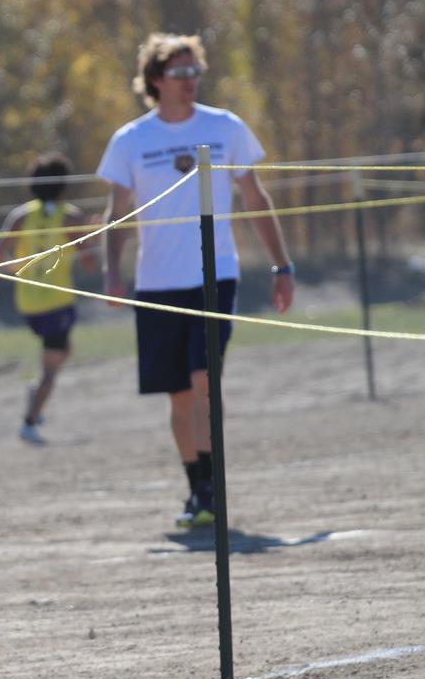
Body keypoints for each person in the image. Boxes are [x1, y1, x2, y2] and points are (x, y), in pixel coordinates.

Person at [96, 33, 294, 528]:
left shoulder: (225, 128)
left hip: (214, 276)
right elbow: (117, 214)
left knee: (205, 381)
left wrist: (281, 265)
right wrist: (112, 274)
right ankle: (197, 488)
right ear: (156, 80)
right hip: (157, 283)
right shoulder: (131, 140)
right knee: (179, 395)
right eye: (180, 73)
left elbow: (254, 198)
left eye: (195, 72)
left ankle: (211, 488)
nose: (190, 82)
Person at [0, 152, 97, 445]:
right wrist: (93, 237)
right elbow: (90, 264)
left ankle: (36, 395)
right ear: (64, 185)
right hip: (57, 302)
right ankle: (29, 420)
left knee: (63, 352)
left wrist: (19, 271)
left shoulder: (21, 215)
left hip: (27, 303)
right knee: (51, 368)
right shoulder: (71, 216)